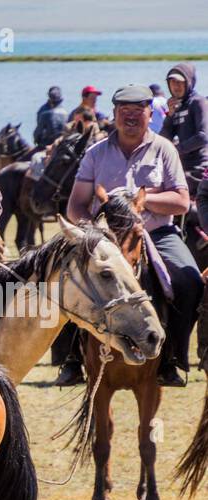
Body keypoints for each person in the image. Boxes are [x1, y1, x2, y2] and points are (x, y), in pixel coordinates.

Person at [67, 84, 202, 386]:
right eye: (124, 112)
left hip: (156, 231)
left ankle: (173, 358)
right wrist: (93, 230)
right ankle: (71, 359)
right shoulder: (95, 153)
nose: (130, 118)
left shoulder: (165, 149)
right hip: (104, 237)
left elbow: (181, 201)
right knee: (63, 280)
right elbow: (75, 204)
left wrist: (139, 198)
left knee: (189, 280)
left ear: (149, 114)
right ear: (114, 114)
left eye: (137, 112)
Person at [161, 63, 208, 241]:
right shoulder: (176, 106)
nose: (176, 86)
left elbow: (203, 136)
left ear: (189, 82)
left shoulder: (198, 102)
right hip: (180, 168)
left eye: (180, 82)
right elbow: (163, 140)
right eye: (172, 82)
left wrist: (176, 150)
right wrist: (170, 115)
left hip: (198, 168)